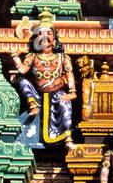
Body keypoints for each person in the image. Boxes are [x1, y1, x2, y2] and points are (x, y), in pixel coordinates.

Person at [11, 12, 76, 147]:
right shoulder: (33, 56)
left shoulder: (62, 58)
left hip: (58, 92)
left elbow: (69, 74)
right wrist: (16, 58)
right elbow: (23, 70)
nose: (44, 36)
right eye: (40, 33)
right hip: (38, 95)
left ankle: (68, 138)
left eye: (48, 33)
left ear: (55, 39)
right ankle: (32, 105)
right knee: (22, 81)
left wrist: (72, 92)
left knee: (66, 107)